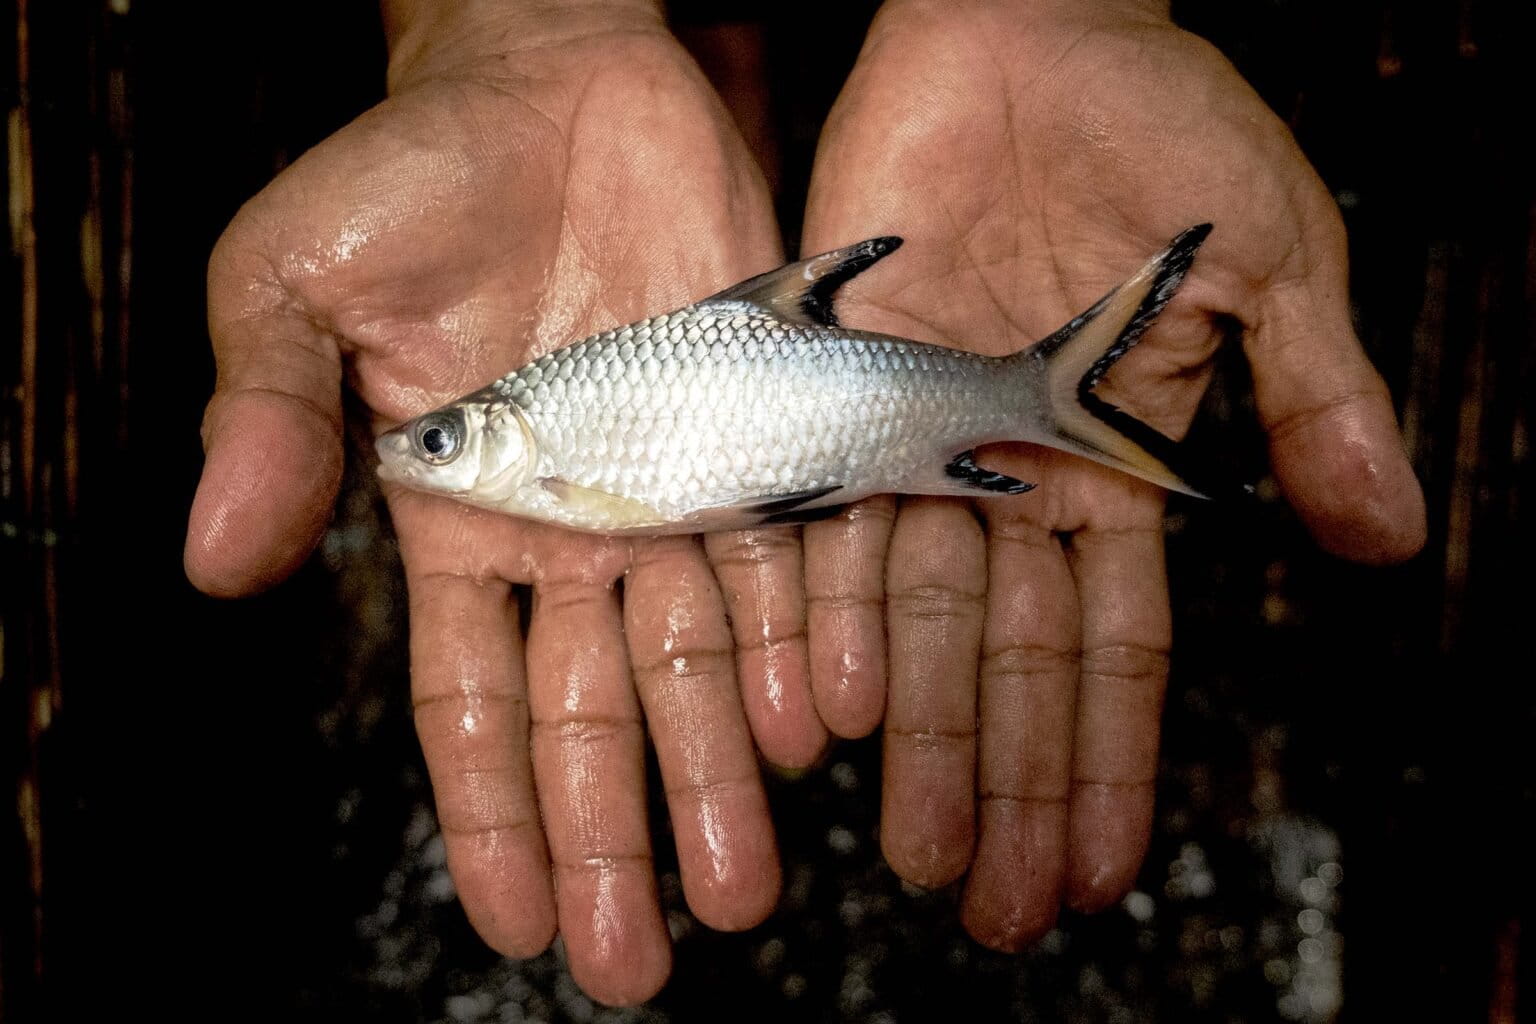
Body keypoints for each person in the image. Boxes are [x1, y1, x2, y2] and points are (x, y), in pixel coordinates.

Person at [184, 0, 1425, 1006]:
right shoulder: (552, 430)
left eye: (443, 441)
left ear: (504, 430)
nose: (415, 451)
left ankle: (783, 129)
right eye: (434, 440)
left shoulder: (552, 459)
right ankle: (743, 88)